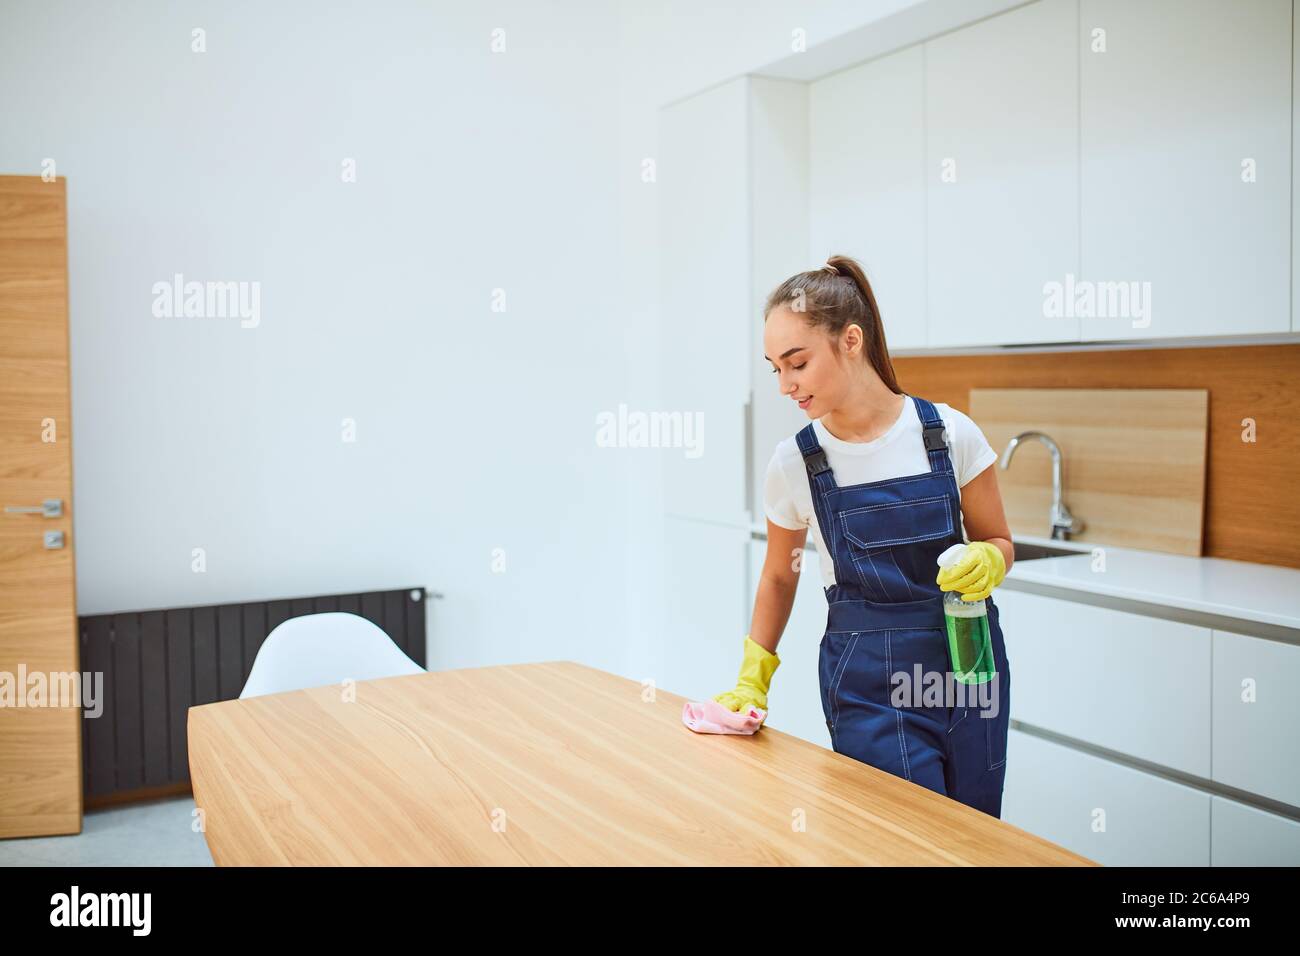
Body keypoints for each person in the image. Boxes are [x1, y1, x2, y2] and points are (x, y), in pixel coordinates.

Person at [713, 255, 1015, 817]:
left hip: (970, 668)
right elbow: (781, 574)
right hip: (870, 680)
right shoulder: (796, 463)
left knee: (977, 836)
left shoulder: (948, 434)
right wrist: (753, 677)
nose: (785, 385)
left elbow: (999, 540)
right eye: (774, 368)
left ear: (850, 340)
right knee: (902, 839)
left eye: (796, 363)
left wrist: (990, 561)